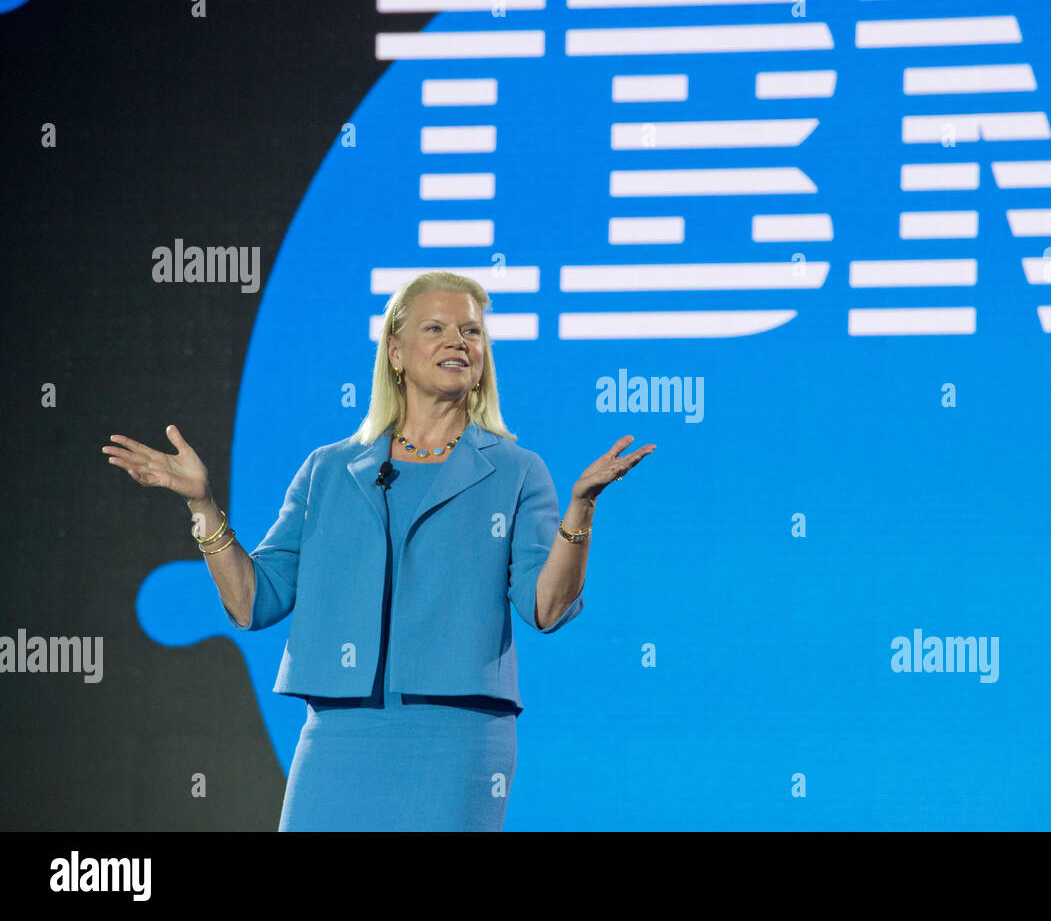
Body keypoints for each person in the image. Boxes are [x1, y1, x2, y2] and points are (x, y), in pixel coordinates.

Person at [102, 270, 654, 830]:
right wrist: (203, 504)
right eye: (436, 327)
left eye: (471, 331)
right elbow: (254, 603)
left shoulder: (516, 470)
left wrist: (581, 507)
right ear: (395, 350)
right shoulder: (329, 469)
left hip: (457, 735)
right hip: (341, 731)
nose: (458, 342)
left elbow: (546, 608)